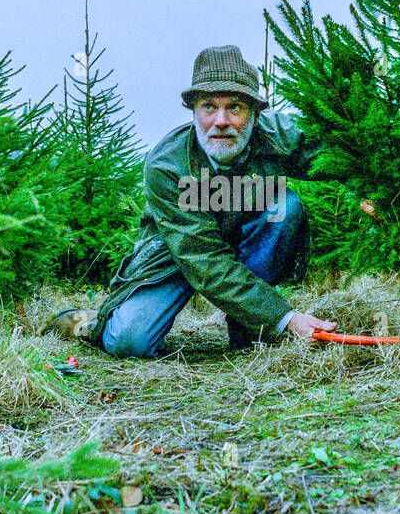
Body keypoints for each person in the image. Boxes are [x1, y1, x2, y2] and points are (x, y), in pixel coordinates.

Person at [44, 44, 338, 357]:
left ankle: (251, 332)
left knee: (284, 207)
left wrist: (372, 192)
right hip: (177, 248)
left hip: (243, 232)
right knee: (130, 342)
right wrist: (287, 318)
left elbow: (336, 159)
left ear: (254, 113)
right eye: (209, 106)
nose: (221, 120)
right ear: (194, 111)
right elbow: (202, 257)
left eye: (235, 107)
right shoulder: (167, 165)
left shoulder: (278, 136)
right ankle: (93, 322)